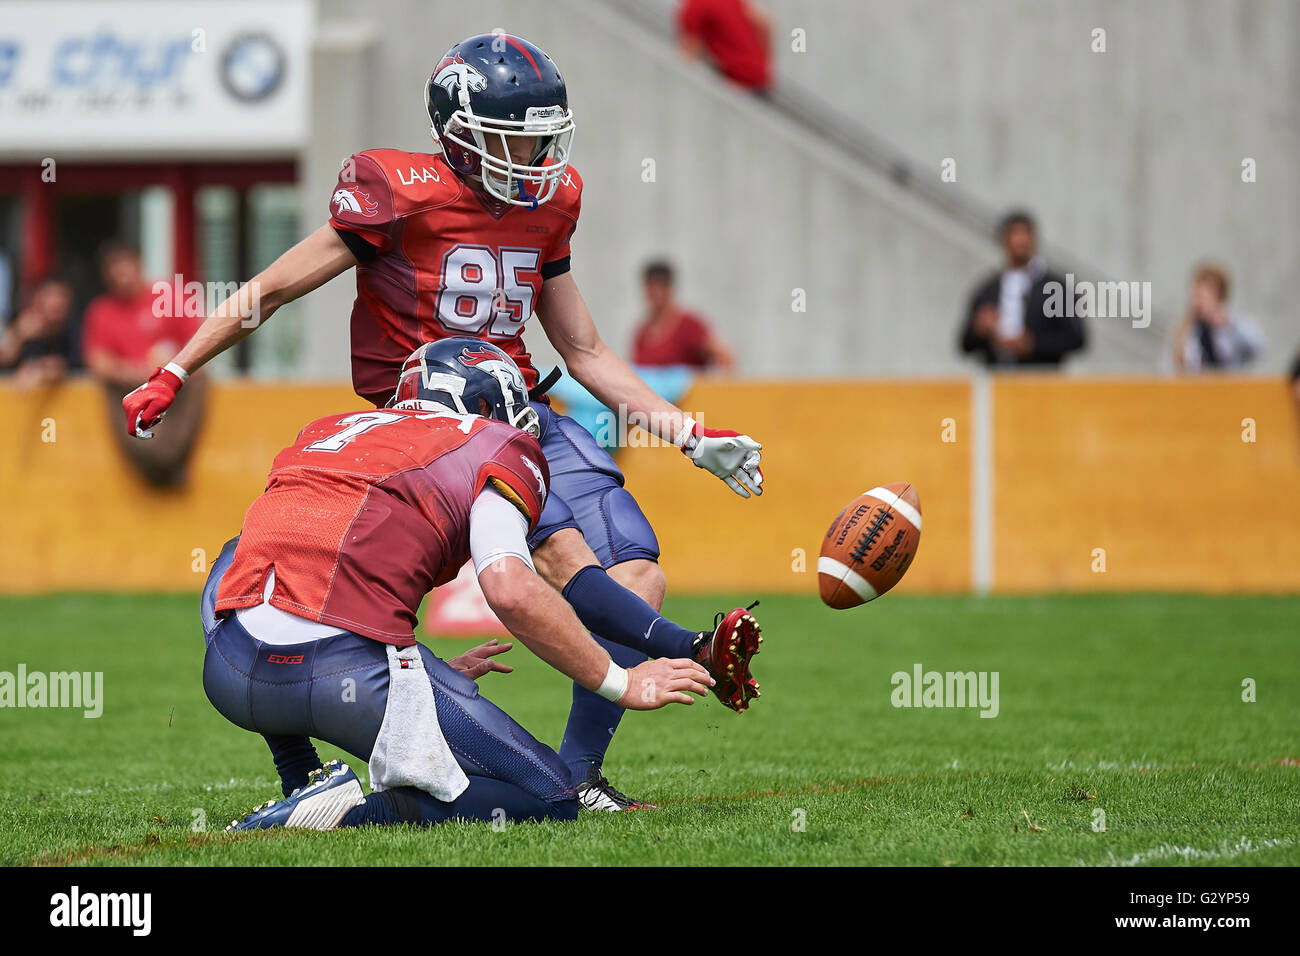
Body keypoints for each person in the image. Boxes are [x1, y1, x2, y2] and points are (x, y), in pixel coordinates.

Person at [119, 34, 765, 811]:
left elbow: (585, 347)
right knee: (555, 558)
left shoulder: (550, 201)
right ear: (460, 133)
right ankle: (338, 754)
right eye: (515, 137)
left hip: (525, 407)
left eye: (542, 136)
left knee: (638, 576)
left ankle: (580, 775)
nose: (535, 154)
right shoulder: (398, 191)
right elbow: (274, 288)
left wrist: (689, 435)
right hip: (431, 424)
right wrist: (179, 365)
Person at [206, 340, 749, 831]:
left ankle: (300, 777)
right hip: (344, 675)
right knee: (554, 796)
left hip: (229, 671)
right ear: (491, 408)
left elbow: (236, 574)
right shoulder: (493, 443)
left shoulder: (323, 431)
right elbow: (510, 587)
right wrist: (621, 683)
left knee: (241, 551)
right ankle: (343, 816)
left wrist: (421, 674)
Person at [84, 241, 208, 487]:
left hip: (173, 387)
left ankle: (171, 461)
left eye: (125, 267)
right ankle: (159, 466)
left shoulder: (170, 297)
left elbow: (199, 343)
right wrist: (135, 373)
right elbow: (98, 362)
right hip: (130, 391)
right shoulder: (102, 311)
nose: (121, 276)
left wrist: (167, 371)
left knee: (200, 380)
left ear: (139, 265)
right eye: (114, 270)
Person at [959, 211, 1085, 367]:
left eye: (1025, 235)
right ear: (1003, 241)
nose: (1020, 241)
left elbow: (1076, 338)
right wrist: (979, 329)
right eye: (1014, 235)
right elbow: (965, 344)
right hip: (998, 380)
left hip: (1041, 380)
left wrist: (1033, 344)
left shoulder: (1054, 288)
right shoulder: (988, 290)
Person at [632, 260, 736, 371]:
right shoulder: (642, 333)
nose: (657, 293)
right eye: (652, 286)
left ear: (670, 288)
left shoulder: (688, 325)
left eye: (662, 285)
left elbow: (726, 358)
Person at [1171, 263, 1263, 372]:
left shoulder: (1236, 324)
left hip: (1231, 386)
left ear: (1219, 297)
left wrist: (1228, 324)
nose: (1200, 301)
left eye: (1205, 295)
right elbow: (1170, 367)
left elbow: (1258, 348)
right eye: (1197, 294)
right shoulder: (1185, 329)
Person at [678, 0, 773, 95]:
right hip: (762, 78)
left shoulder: (693, 8)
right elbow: (765, 24)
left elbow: (689, 56)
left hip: (740, 81)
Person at [0, 277, 75, 389]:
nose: (56, 302)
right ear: (38, 302)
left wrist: (43, 369)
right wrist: (18, 336)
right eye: (51, 297)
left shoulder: (74, 330)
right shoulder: (27, 332)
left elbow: (74, 362)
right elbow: (5, 359)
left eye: (60, 298)